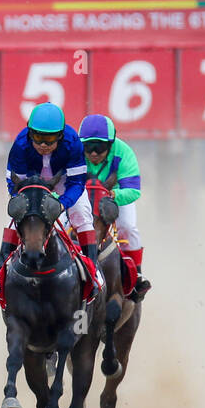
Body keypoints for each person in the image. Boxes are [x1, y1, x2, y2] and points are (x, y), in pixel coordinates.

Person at [0, 102, 97, 291]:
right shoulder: (20, 144)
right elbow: (14, 183)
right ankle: (0, 271)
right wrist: (24, 202)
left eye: (49, 139)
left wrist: (61, 204)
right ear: (30, 133)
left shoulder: (73, 143)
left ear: (61, 136)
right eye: (38, 137)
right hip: (32, 184)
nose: (43, 145)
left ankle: (92, 272)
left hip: (64, 181)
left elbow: (77, 182)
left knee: (81, 214)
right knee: (12, 218)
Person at [78, 114, 151, 301]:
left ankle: (137, 276)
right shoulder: (73, 152)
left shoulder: (124, 152)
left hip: (114, 198)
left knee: (127, 226)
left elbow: (133, 191)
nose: (93, 153)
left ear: (111, 144)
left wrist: (111, 195)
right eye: (88, 147)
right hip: (81, 196)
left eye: (99, 147)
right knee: (59, 224)